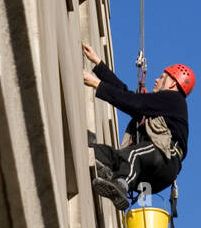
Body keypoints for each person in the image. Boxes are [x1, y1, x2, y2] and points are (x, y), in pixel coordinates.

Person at [82, 43, 195, 210]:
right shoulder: (161, 106)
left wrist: (97, 84)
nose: (157, 79)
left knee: (133, 154)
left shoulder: (174, 99)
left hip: (165, 157)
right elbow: (128, 96)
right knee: (112, 155)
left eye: (163, 77)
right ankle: (105, 169)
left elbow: (134, 103)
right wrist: (99, 65)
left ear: (172, 85)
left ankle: (121, 184)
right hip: (150, 172)